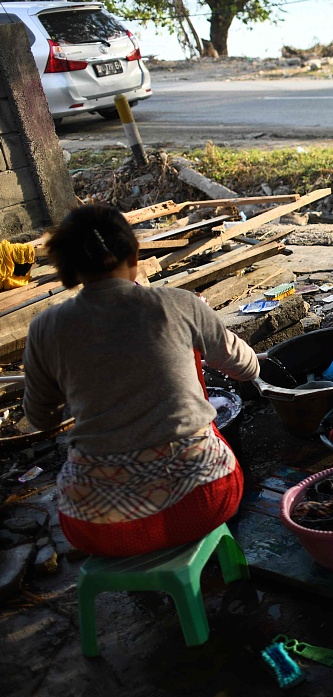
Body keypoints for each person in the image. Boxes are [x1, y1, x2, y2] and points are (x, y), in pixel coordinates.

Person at [22, 205, 260, 557]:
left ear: (67, 267)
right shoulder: (179, 305)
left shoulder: (45, 328)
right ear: (134, 254)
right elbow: (246, 367)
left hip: (99, 524)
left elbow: (40, 419)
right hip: (205, 500)